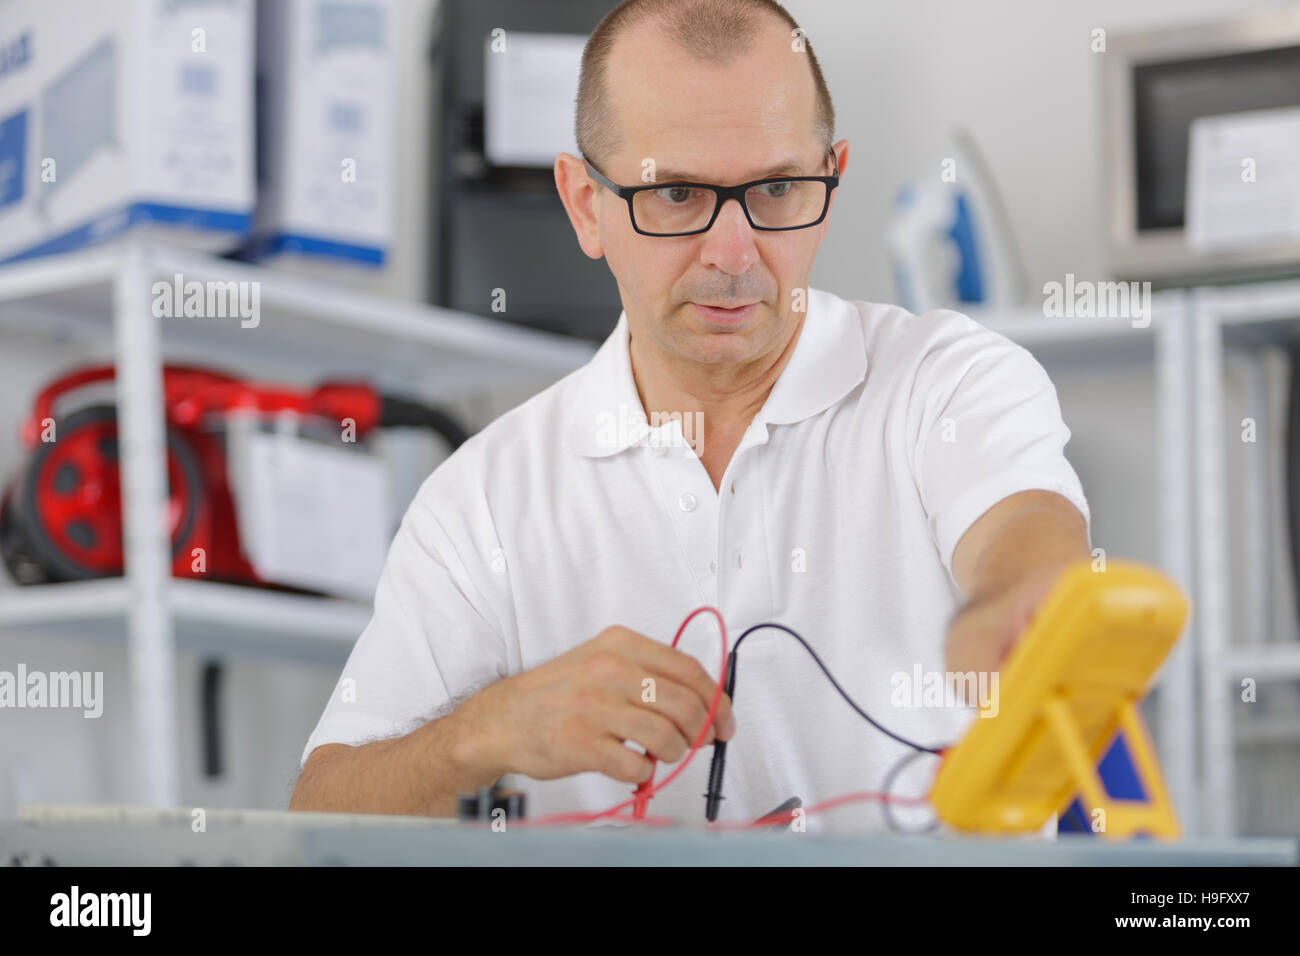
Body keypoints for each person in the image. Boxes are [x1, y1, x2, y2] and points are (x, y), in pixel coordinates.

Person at [290, 0, 1090, 832]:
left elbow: (1024, 527)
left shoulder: (947, 383)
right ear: (584, 204)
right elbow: (320, 812)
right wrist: (492, 728)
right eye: (675, 193)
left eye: (778, 189)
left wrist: (1018, 602)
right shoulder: (482, 500)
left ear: (832, 172)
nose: (734, 255)